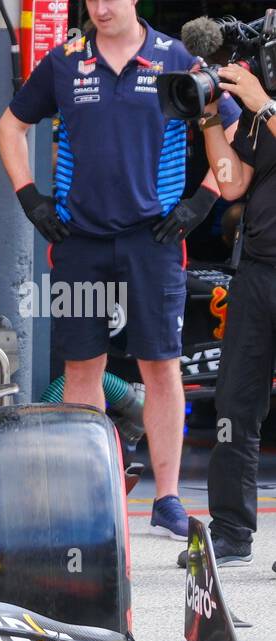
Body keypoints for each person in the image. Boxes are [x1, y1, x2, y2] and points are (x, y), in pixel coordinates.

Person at [0, 0, 236, 541]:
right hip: (79, 241)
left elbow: (228, 129)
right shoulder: (65, 60)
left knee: (161, 367)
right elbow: (9, 127)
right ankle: (88, 495)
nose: (100, 8)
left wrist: (204, 199)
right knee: (82, 368)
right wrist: (30, 198)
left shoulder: (175, 56)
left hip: (152, 241)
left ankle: (168, 499)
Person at [191, 58, 276, 568]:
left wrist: (261, 103)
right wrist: (208, 118)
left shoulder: (262, 104)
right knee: (235, 405)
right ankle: (231, 532)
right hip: (259, 272)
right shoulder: (256, 108)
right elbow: (231, 183)